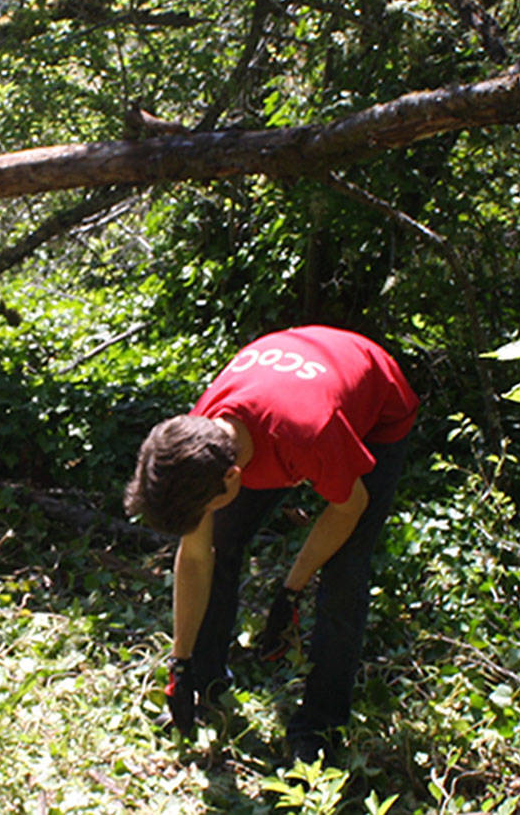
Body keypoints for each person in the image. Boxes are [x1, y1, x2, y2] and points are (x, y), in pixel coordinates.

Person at [124, 325, 418, 763]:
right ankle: (205, 683)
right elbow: (196, 558)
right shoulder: (195, 439)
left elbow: (348, 508)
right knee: (220, 542)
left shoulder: (310, 435)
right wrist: (179, 662)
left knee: (343, 576)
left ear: (233, 479)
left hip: (376, 405)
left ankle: (319, 725)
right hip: (291, 386)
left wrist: (291, 591)